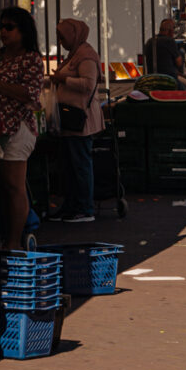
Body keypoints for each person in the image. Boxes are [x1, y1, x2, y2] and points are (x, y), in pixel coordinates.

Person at [0, 7, 45, 250]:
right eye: (1, 26)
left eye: (9, 27)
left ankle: (13, 242)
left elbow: (29, 94)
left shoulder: (31, 58)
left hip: (18, 128)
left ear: (23, 30)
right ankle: (2, 236)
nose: (3, 32)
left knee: (14, 186)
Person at [50, 17, 104, 223]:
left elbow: (88, 85)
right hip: (70, 121)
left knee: (80, 165)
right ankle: (71, 206)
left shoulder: (86, 56)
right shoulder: (74, 55)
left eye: (63, 37)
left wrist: (62, 79)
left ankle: (84, 208)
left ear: (74, 35)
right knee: (70, 167)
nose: (61, 41)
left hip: (81, 121)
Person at [143, 18, 186, 86]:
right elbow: (179, 63)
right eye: (173, 29)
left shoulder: (150, 41)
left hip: (151, 78)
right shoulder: (169, 41)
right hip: (168, 79)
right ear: (170, 31)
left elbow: (164, 65)